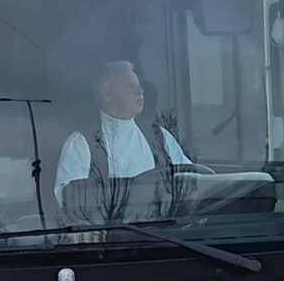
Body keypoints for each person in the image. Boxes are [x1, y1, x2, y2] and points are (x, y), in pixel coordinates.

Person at [53, 61, 194, 213]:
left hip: (164, 231)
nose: (140, 91)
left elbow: (189, 178)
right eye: (129, 87)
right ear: (107, 95)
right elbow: (69, 199)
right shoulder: (81, 143)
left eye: (139, 86)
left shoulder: (159, 136)